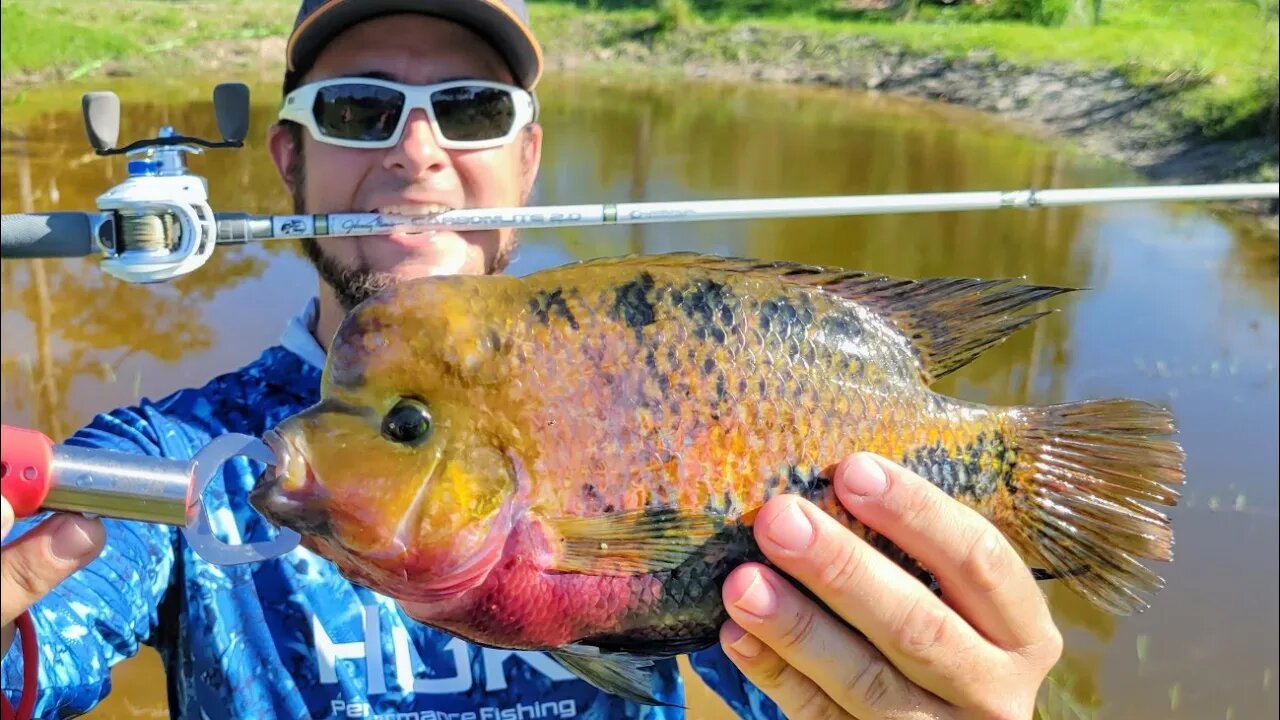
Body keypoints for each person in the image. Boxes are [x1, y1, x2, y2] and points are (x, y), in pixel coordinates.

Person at [1, 1, 1064, 717]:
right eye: (358, 110)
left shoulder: (645, 379)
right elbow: (39, 633)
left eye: (467, 109)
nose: (416, 153)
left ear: (529, 157)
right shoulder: (178, 458)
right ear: (289, 156)